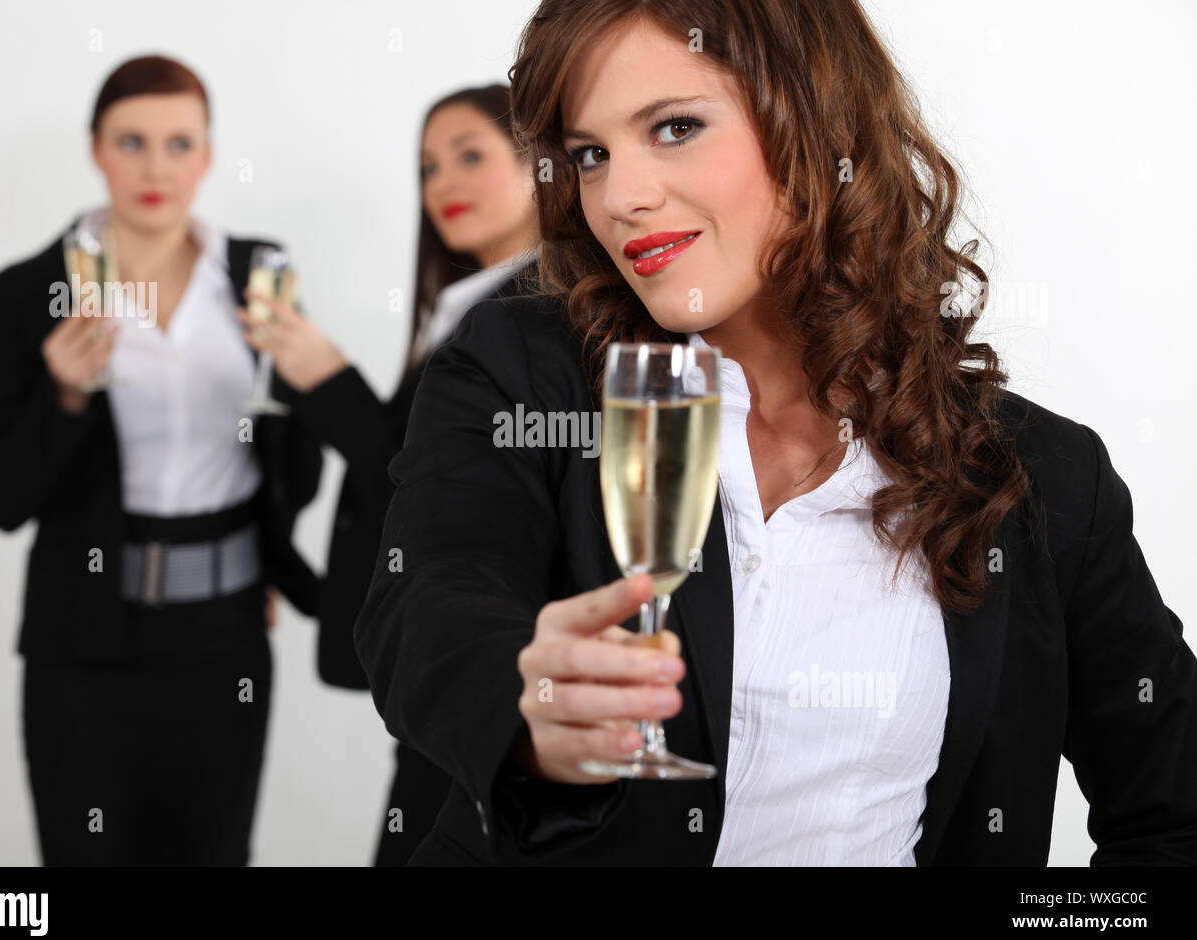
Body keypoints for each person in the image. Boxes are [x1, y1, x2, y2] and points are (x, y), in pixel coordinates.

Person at [351, 0, 1197, 865]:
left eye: (675, 127)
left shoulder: (1041, 475)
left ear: (819, 125)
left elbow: (1170, 813)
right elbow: (427, 598)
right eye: (590, 155)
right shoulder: (524, 370)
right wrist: (524, 706)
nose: (622, 197)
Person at [0, 54, 323, 866]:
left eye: (178, 143)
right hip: (84, 637)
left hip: (226, 630)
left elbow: (294, 443)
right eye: (132, 142)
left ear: (206, 155)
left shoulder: (259, 273)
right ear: (96, 149)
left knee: (214, 853)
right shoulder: (25, 294)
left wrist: (272, 545)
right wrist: (62, 396)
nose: (156, 168)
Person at [236, 84, 540, 865]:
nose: (444, 183)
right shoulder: (464, 307)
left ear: (540, 162)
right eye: (427, 167)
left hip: (494, 680)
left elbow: (440, 496)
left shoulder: (534, 316)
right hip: (445, 675)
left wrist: (331, 383)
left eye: (471, 156)